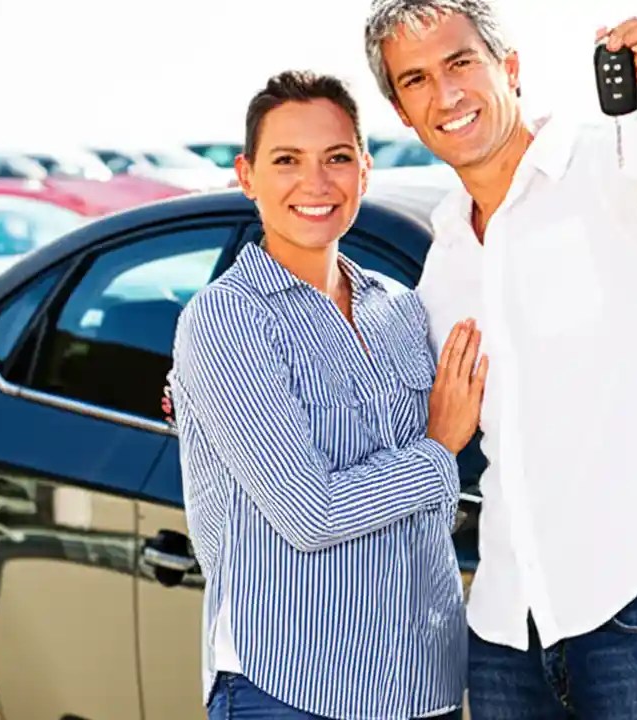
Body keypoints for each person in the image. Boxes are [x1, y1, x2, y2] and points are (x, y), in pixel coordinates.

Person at [364, 2, 637, 717]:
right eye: (416, 79)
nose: (445, 94)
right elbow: (381, 412)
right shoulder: (443, 261)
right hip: (506, 631)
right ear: (402, 113)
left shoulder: (610, 161)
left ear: (508, 68)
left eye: (460, 63)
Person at [167, 70, 486, 720]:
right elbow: (312, 515)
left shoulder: (399, 309)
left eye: (336, 158)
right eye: (287, 160)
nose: (315, 184)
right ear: (247, 175)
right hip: (292, 687)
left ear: (364, 171)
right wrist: (436, 448)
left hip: (425, 686)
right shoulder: (228, 319)